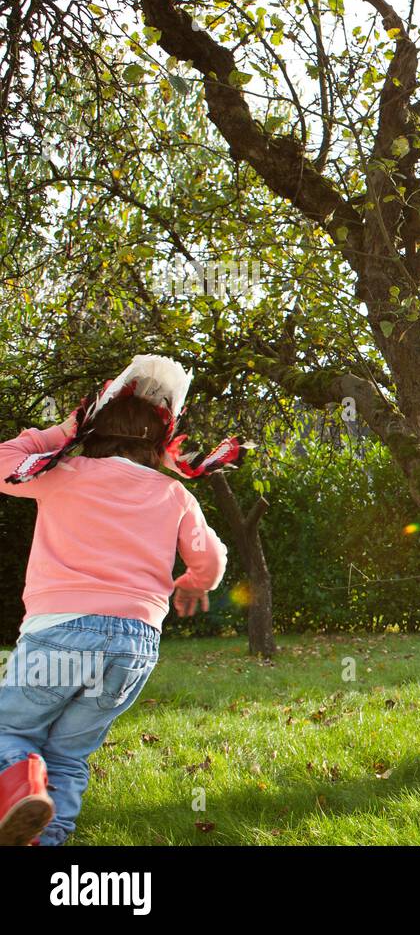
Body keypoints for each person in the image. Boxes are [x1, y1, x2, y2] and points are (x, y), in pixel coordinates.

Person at [0, 355, 245, 844]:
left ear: (90, 428)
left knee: (11, 730)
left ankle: (20, 792)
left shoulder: (64, 472)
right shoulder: (173, 494)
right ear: (162, 443)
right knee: (70, 754)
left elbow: (6, 461)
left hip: (60, 632)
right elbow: (212, 561)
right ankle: (45, 839)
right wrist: (193, 583)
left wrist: (62, 430)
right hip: (134, 645)